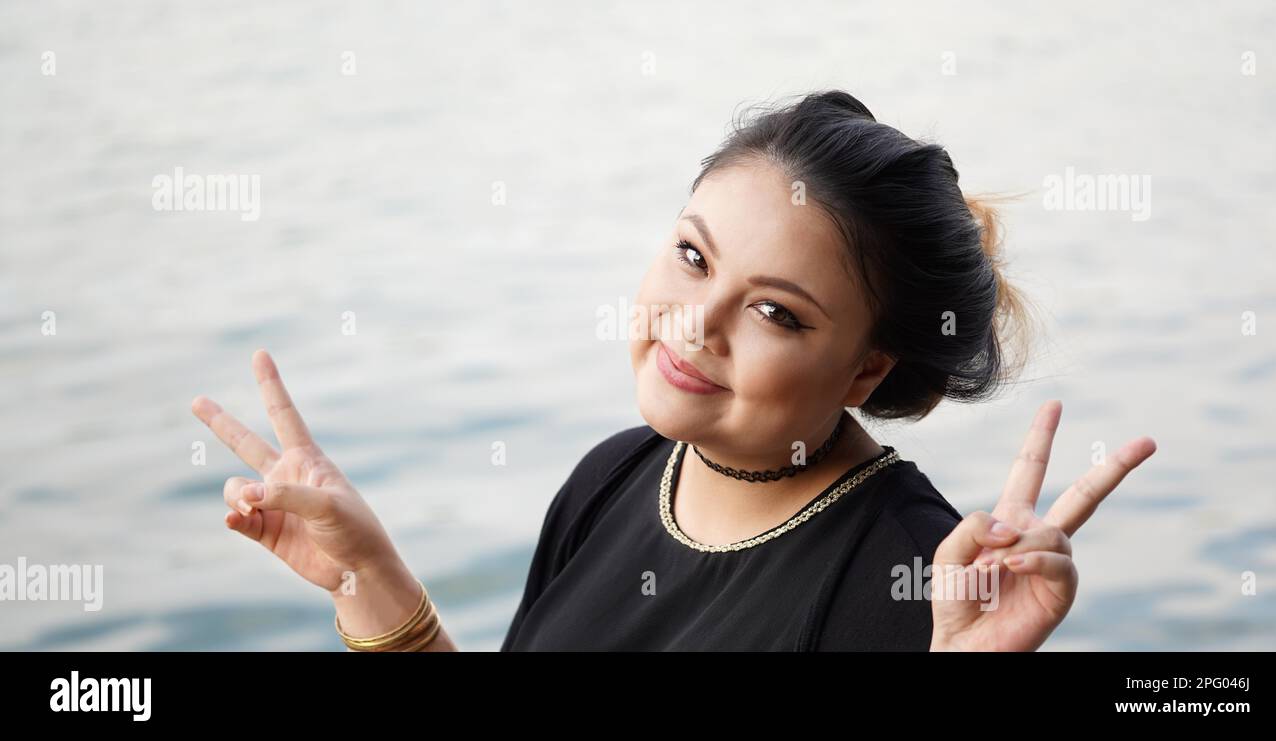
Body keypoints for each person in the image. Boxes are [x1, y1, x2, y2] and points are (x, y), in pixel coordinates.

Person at [190, 90, 1157, 651]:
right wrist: (370, 576)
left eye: (776, 311)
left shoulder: (914, 574)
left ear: (865, 367)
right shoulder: (616, 474)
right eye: (694, 256)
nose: (697, 324)